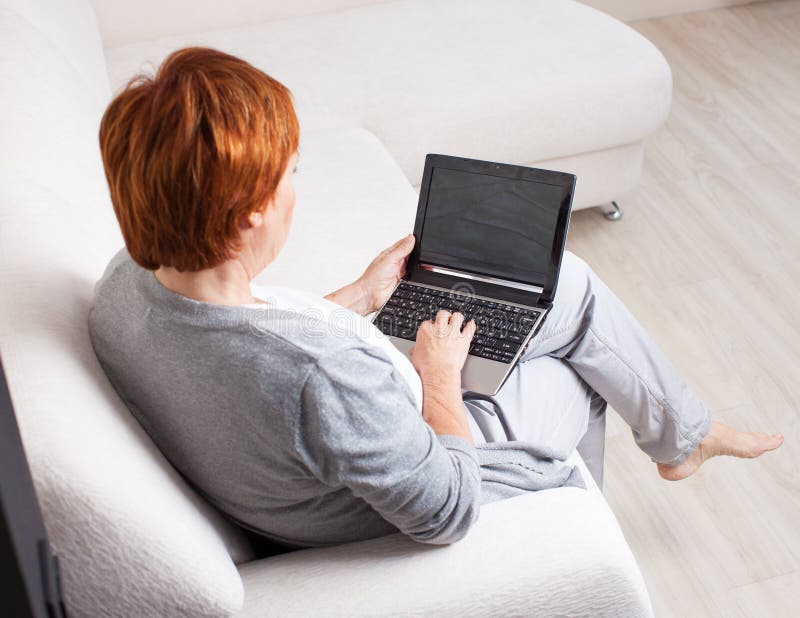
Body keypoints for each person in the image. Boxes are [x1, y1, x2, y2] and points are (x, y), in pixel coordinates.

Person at [88, 47, 783, 550]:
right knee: (576, 368)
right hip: (415, 455)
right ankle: (577, 551)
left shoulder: (125, 287)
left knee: (565, 285)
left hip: (351, 431)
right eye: (290, 173)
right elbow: (444, 509)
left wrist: (362, 296)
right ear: (249, 215)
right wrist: (441, 379)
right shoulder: (322, 378)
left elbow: (258, 343)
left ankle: (683, 437)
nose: (298, 186)